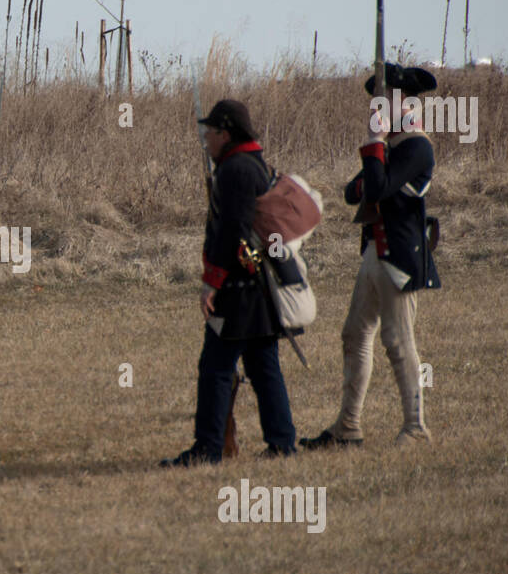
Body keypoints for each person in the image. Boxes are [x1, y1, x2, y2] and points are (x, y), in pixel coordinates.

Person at [301, 64, 440, 450]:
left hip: (398, 256)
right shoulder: (392, 147)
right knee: (354, 334)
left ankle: (416, 428)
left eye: (385, 98)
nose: (376, 106)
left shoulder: (415, 146)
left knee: (398, 341)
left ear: (404, 102)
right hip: (374, 252)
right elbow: (353, 191)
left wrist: (374, 142)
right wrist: (376, 151)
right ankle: (348, 427)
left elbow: (374, 187)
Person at [162, 99, 297, 466]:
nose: (206, 138)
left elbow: (233, 232)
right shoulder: (248, 164)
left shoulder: (235, 169)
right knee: (263, 366)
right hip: (256, 285)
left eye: (211, 132)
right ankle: (282, 443)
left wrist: (213, 282)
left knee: (216, 369)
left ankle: (207, 449)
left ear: (226, 133)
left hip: (240, 289)